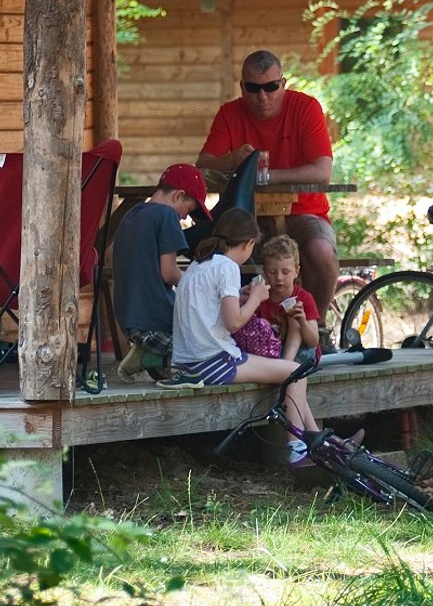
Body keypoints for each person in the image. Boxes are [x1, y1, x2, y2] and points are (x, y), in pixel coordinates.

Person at [197, 50, 340, 331]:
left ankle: (317, 329)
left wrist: (264, 177)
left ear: (283, 83)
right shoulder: (230, 113)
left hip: (304, 211)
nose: (262, 96)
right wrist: (231, 160)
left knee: (321, 250)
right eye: (253, 88)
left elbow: (323, 171)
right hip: (247, 214)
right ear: (242, 87)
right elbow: (203, 164)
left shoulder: (306, 108)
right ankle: (230, 332)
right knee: (213, 252)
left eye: (271, 87)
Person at [171, 208, 322, 465]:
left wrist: (241, 299)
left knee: (287, 372)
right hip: (212, 361)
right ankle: (298, 450)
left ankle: (319, 442)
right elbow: (233, 323)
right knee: (295, 373)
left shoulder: (199, 263)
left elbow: (212, 312)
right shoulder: (228, 267)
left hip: (187, 361)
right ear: (248, 243)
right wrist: (256, 298)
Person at [111, 162, 208, 380]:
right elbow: (170, 273)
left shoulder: (131, 214)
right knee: (208, 350)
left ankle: (153, 356)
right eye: (189, 209)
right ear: (178, 195)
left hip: (130, 321)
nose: (185, 217)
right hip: (156, 321)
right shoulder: (166, 216)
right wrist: (200, 285)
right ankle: (155, 358)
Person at [254, 234, 320, 362]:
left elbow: (313, 342)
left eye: (285, 272)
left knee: (294, 315)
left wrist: (303, 321)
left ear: (296, 272)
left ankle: (287, 363)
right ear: (264, 271)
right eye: (272, 272)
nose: (279, 278)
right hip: (269, 352)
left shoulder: (304, 298)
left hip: (302, 353)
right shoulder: (260, 296)